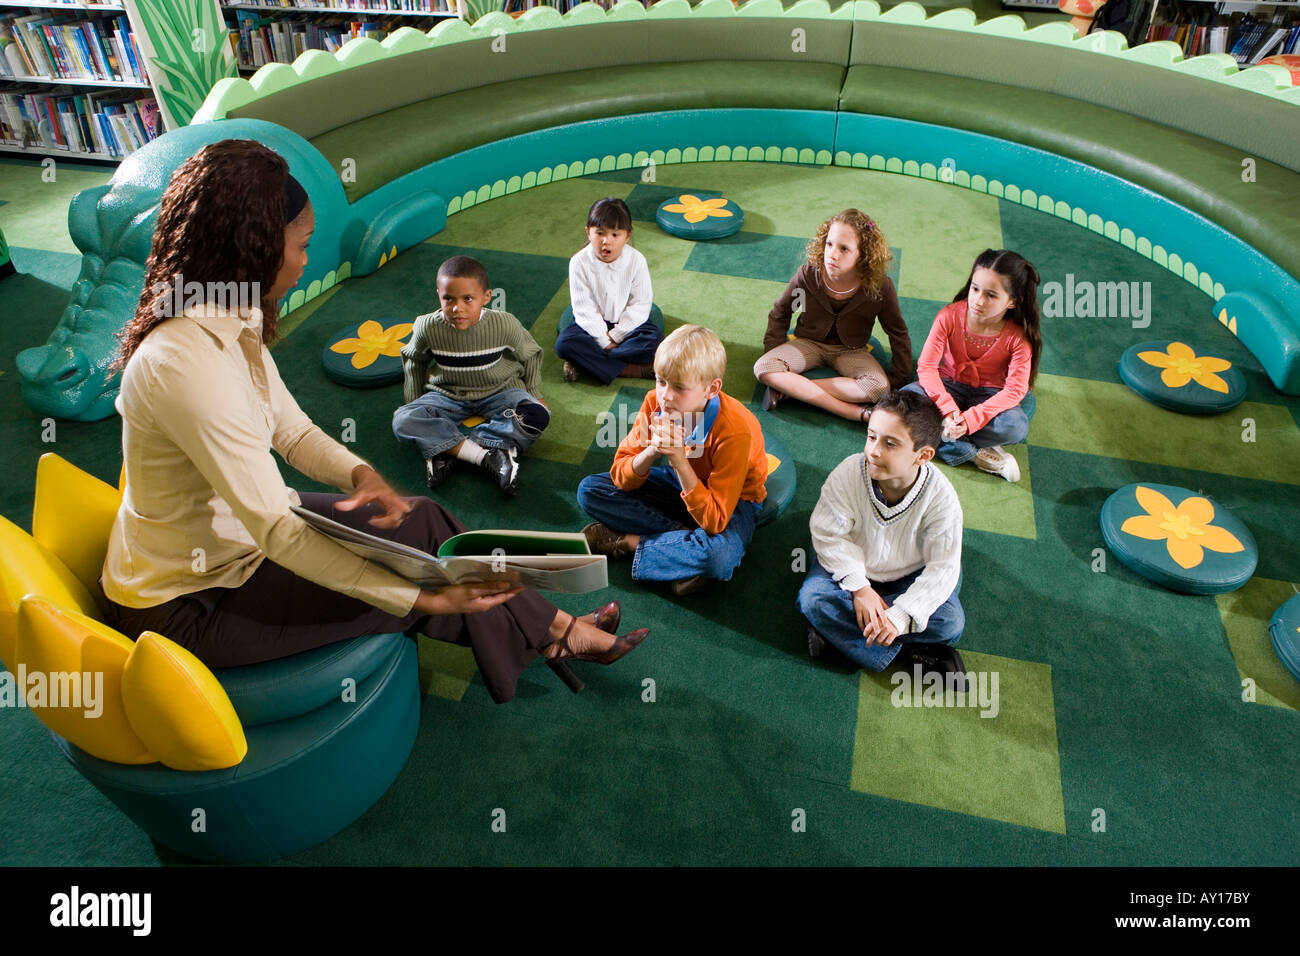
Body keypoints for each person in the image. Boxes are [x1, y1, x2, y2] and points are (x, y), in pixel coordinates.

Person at [100, 139, 647, 706]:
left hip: (241, 539)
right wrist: (415, 600)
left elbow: (291, 432)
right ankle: (556, 638)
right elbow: (277, 531)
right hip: (189, 600)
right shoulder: (182, 364)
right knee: (400, 586)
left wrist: (361, 476)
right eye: (301, 246)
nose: (306, 262)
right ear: (255, 250)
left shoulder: (232, 316)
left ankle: (556, 630)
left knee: (424, 520)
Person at [576, 324, 767, 597]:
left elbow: (715, 521)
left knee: (719, 558)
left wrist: (679, 460)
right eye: (660, 380)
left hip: (736, 501)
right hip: (680, 483)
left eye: (679, 387)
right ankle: (683, 544)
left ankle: (626, 542)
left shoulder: (734, 431)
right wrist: (652, 451)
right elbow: (620, 475)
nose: (666, 395)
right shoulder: (655, 401)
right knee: (590, 490)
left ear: (711, 389)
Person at [798, 390, 966, 678]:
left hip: (909, 570)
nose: (873, 450)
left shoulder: (942, 499)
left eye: (890, 443)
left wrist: (899, 617)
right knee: (813, 599)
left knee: (950, 622)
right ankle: (909, 653)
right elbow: (828, 536)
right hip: (852, 564)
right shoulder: (848, 473)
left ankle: (836, 638)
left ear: (922, 455)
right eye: (871, 436)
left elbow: (943, 568)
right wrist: (860, 589)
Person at [392, 255, 549, 496]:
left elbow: (530, 353)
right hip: (448, 394)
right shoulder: (426, 326)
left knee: (539, 415)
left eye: (468, 299)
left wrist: (534, 393)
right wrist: (414, 401)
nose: (458, 308)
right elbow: (414, 360)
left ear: (486, 297)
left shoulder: (505, 324)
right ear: (438, 295)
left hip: (501, 391)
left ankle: (449, 450)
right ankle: (486, 455)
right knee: (402, 420)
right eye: (448, 299)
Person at [754, 208, 912, 422]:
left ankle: (790, 389)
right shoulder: (807, 277)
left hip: (850, 350)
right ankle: (855, 413)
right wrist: (774, 351)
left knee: (879, 387)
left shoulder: (879, 288)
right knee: (763, 367)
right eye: (829, 244)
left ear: (863, 256)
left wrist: (897, 379)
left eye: (844, 248)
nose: (832, 254)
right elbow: (781, 312)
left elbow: (897, 332)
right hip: (808, 343)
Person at [902, 248, 1042, 482]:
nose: (978, 300)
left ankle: (943, 437)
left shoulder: (1018, 337)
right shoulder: (948, 316)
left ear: (1012, 302)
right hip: (947, 387)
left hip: (989, 394)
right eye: (975, 289)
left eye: (991, 295)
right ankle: (975, 454)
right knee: (903, 403)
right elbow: (926, 368)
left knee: (1016, 426)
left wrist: (968, 421)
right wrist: (948, 410)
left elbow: (1015, 390)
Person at [555, 197, 661, 384]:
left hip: (627, 325)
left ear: (627, 236)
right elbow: (583, 309)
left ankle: (586, 363)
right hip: (590, 326)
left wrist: (616, 336)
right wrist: (603, 340)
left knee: (656, 343)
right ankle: (630, 369)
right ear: (588, 233)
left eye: (615, 234)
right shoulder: (579, 262)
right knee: (565, 344)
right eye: (600, 233)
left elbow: (641, 303)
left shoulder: (636, 260)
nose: (606, 241)